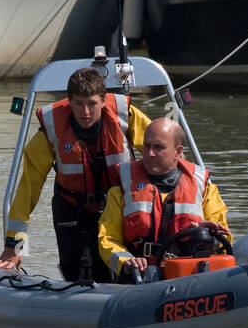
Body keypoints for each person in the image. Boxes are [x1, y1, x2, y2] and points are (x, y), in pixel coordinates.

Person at [0, 68, 150, 284]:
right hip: (72, 209)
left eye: (92, 104)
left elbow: (163, 155)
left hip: (117, 206)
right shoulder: (52, 129)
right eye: (78, 103)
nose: (85, 112)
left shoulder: (125, 116)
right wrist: (14, 247)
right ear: (69, 101)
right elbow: (28, 189)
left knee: (128, 270)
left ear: (103, 100)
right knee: (78, 274)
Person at [98, 118, 230, 280]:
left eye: (158, 147)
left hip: (188, 276)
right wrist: (126, 262)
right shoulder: (124, 185)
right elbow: (108, 238)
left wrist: (206, 235)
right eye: (147, 146)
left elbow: (224, 240)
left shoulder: (203, 187)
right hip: (138, 278)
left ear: (178, 151)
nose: (149, 153)